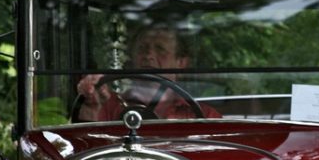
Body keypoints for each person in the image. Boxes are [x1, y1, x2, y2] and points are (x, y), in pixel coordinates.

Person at [75, 27, 219, 121]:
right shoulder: (108, 105)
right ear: (132, 57)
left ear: (181, 62)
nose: (148, 55)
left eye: (160, 49)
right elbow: (86, 146)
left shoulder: (204, 115)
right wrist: (91, 103)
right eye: (142, 49)